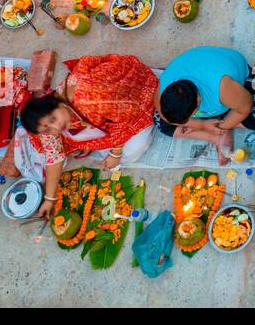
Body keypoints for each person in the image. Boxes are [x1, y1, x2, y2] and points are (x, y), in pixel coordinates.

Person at [21, 56, 158, 215]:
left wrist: (115, 152)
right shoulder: (53, 117)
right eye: (48, 129)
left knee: (132, 151)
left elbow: (127, 115)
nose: (56, 127)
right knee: (41, 146)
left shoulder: (89, 99)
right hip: (105, 110)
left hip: (133, 97)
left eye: (53, 119)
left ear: (55, 103)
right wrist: (49, 199)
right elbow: (54, 156)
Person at [156, 47, 255, 159]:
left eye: (190, 116)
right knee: (160, 121)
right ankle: (215, 136)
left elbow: (247, 105)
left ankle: (222, 129)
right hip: (216, 100)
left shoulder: (223, 88)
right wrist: (201, 125)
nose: (187, 121)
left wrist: (222, 127)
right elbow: (162, 112)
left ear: (198, 100)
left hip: (235, 86)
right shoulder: (164, 85)